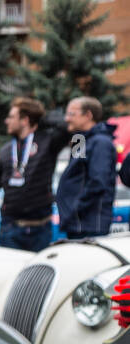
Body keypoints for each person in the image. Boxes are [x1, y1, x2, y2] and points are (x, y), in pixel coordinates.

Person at [0, 97, 68, 252]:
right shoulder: (7, 149)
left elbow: (65, 126)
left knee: (37, 275)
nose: (6, 121)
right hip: (11, 227)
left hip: (40, 228)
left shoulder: (48, 142)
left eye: (11, 117)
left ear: (25, 120)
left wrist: (42, 119)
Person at [56, 96, 117, 239]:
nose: (66, 119)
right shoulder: (80, 140)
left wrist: (75, 209)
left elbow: (98, 182)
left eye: (72, 114)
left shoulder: (101, 142)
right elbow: (74, 176)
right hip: (76, 223)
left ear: (88, 115)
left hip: (89, 225)